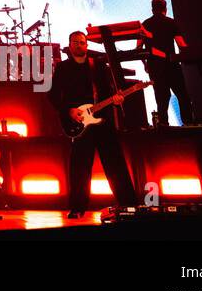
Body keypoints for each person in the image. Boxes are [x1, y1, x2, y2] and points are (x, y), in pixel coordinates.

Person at [48, 30, 138, 219]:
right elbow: (54, 96)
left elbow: (109, 91)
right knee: (79, 167)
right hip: (80, 123)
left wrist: (117, 99)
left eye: (82, 42)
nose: (79, 45)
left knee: (115, 163)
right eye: (75, 42)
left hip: (103, 120)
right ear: (69, 45)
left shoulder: (97, 65)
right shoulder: (63, 68)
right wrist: (69, 111)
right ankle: (77, 207)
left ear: (87, 45)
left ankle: (129, 204)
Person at [141, 0, 193, 126]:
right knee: (182, 96)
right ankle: (188, 125)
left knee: (161, 99)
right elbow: (181, 45)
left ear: (152, 9)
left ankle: (164, 128)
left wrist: (146, 64)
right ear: (165, 9)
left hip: (155, 66)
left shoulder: (145, 24)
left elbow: (138, 48)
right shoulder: (171, 22)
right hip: (171, 64)